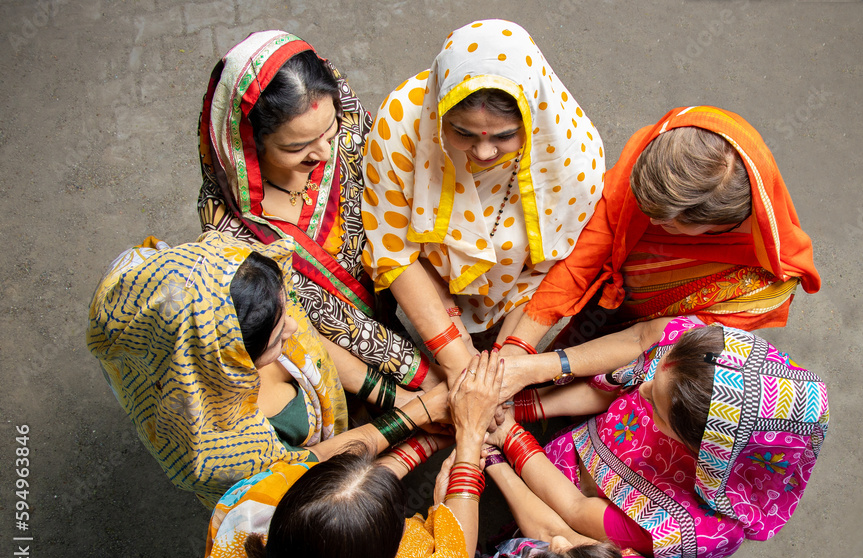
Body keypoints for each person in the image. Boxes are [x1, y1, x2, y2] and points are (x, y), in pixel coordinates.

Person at [205, 354, 679, 558]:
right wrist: (478, 445)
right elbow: (457, 541)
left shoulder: (235, 532)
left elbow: (306, 467)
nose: (554, 542)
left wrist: (434, 422)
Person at [87, 232, 448, 507]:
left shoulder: (218, 287)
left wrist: (403, 400)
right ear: (230, 364)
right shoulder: (228, 451)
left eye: (285, 312)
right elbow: (307, 468)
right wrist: (420, 416)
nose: (293, 328)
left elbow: (313, 351)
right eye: (276, 340)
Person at [361, 19, 605, 382]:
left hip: (515, 293)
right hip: (431, 282)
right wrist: (457, 358)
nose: (484, 151)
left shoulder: (575, 159)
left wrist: (506, 366)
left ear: (533, 119)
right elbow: (393, 250)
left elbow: (555, 269)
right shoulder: (402, 122)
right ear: (439, 112)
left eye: (505, 136)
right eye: (462, 133)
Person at [493, 315, 830, 558]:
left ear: (702, 453)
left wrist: (506, 436)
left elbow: (573, 511)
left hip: (556, 506)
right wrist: (519, 407)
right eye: (655, 377)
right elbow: (615, 379)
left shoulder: (678, 528)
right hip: (559, 455)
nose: (640, 390)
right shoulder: (698, 360)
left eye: (655, 407)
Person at [198, 30, 433, 391]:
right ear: (249, 142)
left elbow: (394, 212)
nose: (324, 153)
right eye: (297, 147)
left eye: (329, 131)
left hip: (393, 284)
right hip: (336, 358)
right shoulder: (228, 228)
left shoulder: (345, 123)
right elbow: (297, 330)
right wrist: (403, 395)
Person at [510, 105, 822, 349]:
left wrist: (536, 373)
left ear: (719, 224)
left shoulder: (763, 287)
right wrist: (516, 346)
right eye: (646, 208)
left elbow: (657, 345)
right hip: (611, 298)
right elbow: (589, 250)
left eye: (669, 223)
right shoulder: (665, 154)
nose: (652, 221)